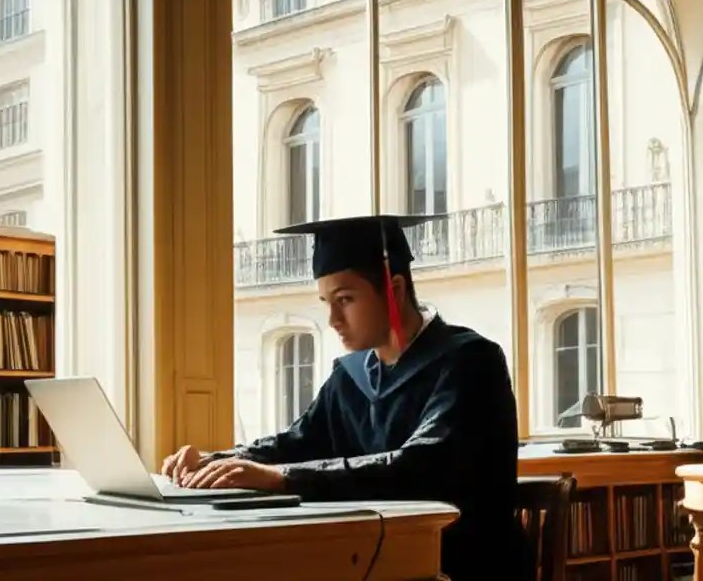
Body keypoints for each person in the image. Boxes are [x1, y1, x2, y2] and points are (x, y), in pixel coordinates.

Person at [161, 214, 528, 580]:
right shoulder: (350, 376)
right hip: (378, 562)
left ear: (394, 289)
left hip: (464, 566)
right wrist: (216, 462)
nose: (333, 319)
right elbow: (298, 442)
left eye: (345, 299)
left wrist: (280, 478)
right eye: (325, 302)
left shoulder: (470, 362)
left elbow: (420, 466)